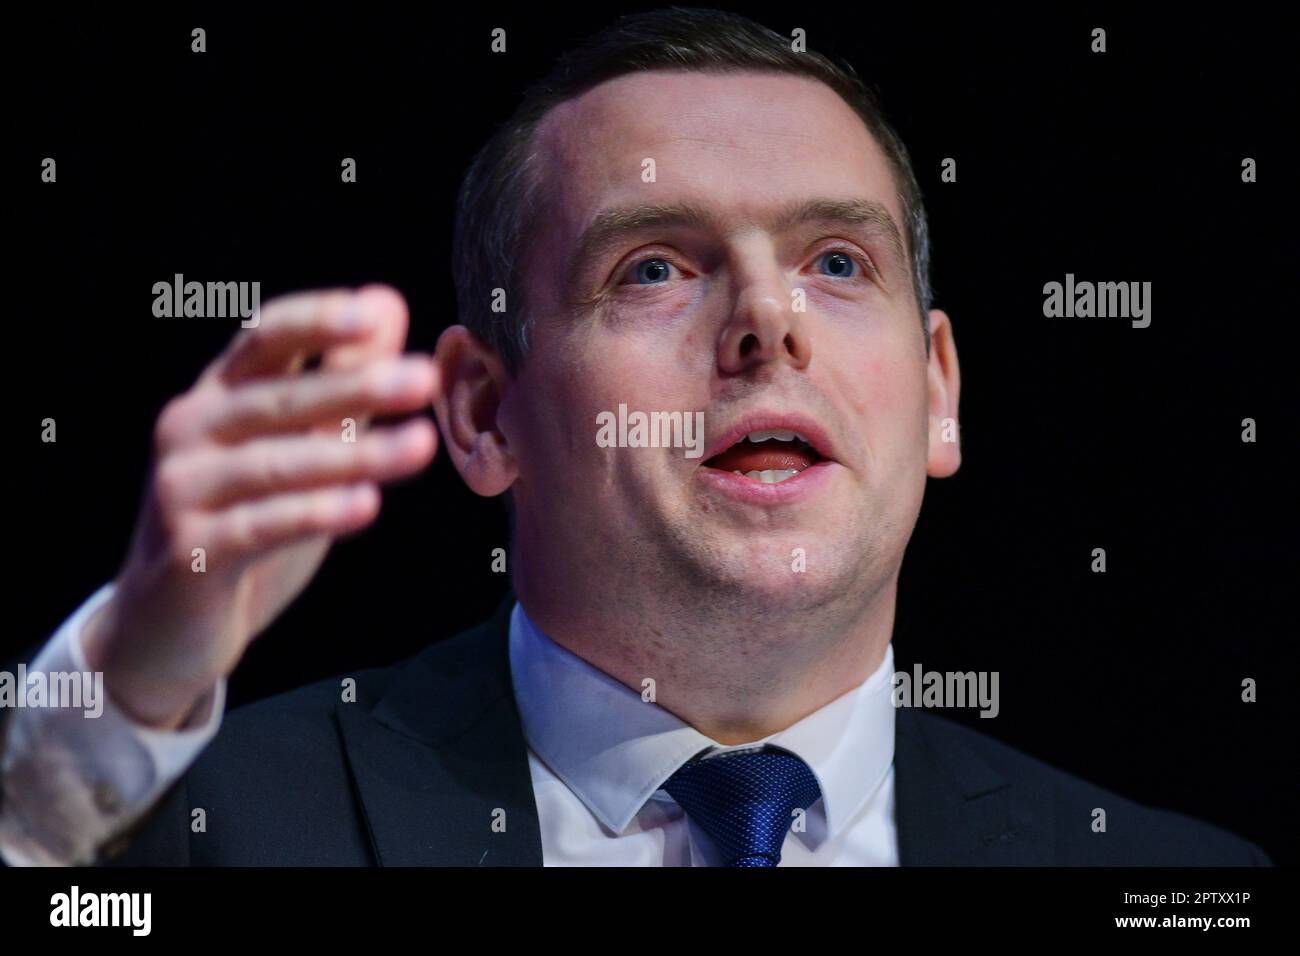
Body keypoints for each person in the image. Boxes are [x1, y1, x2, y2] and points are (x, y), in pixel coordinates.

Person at [0, 7, 1270, 867]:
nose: (767, 321)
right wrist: (125, 675)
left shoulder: (1169, 873)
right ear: (486, 412)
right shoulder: (231, 828)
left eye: (836, 260)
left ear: (938, 390)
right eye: (656, 267)